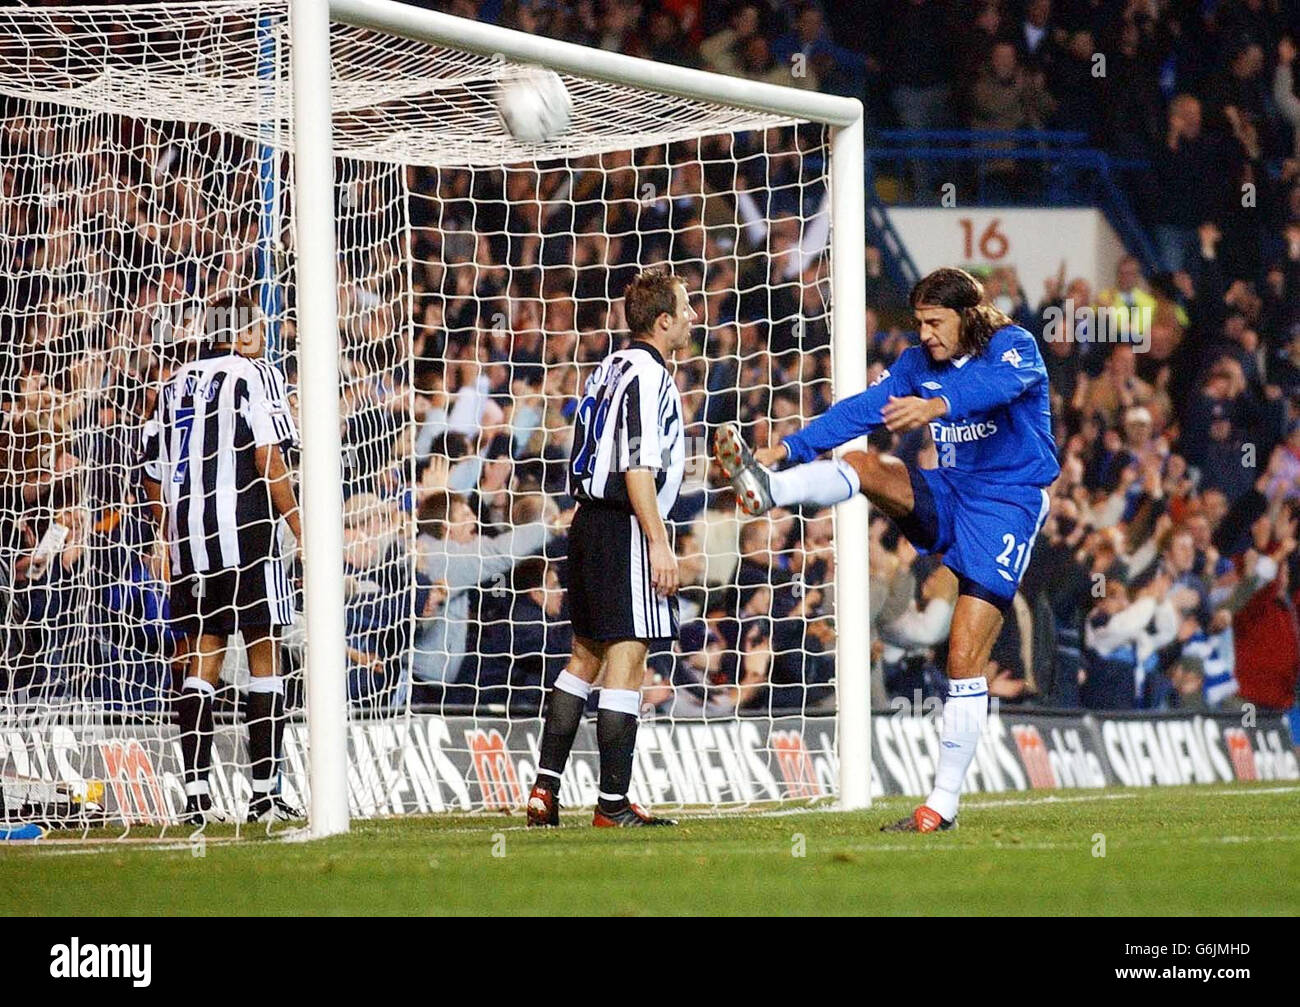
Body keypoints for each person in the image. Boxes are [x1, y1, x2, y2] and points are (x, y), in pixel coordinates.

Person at [715, 267, 1058, 832]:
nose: (925, 334)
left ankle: (940, 806)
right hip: (950, 491)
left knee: (963, 657)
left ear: (967, 315)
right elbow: (862, 409)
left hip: (1007, 504)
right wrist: (789, 448)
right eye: (920, 322)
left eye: (935, 322)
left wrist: (936, 406)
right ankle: (770, 489)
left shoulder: (1013, 345)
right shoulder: (917, 363)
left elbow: (995, 388)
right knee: (864, 463)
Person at [525, 268, 693, 828]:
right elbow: (637, 466)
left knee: (584, 657)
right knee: (628, 658)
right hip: (626, 526)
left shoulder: (609, 366)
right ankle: (613, 805)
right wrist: (659, 542)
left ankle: (544, 790)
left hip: (587, 523)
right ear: (663, 321)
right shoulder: (650, 375)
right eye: (685, 309)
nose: (692, 317)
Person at [139, 295, 303, 827]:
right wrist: (302, 530)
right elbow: (268, 457)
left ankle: (196, 797)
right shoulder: (257, 374)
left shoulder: (171, 385)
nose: (264, 337)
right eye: (260, 328)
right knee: (263, 652)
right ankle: (264, 795)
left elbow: (151, 474)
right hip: (247, 534)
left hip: (190, 542)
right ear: (244, 334)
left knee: (203, 660)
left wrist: (169, 532)